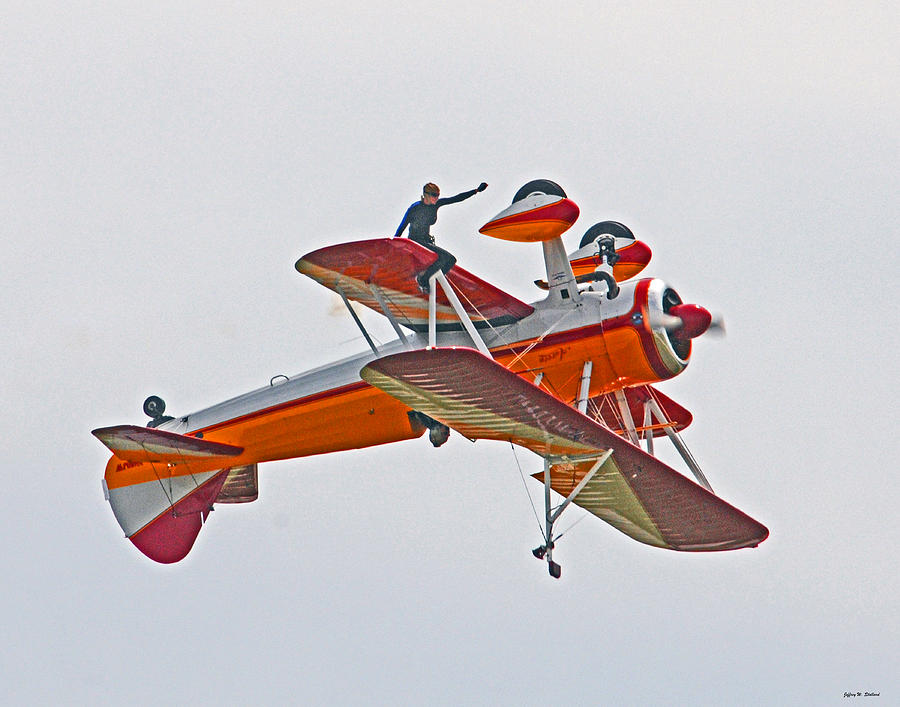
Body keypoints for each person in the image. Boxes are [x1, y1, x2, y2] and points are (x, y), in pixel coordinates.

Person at [394, 181, 488, 291]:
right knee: (445, 258)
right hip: (415, 242)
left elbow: (456, 198)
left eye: (438, 195)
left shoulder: (436, 204)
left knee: (451, 260)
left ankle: (432, 281)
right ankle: (423, 279)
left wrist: (476, 191)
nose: (436, 198)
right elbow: (401, 227)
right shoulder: (414, 208)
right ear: (426, 195)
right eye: (434, 195)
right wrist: (395, 245)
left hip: (426, 242)